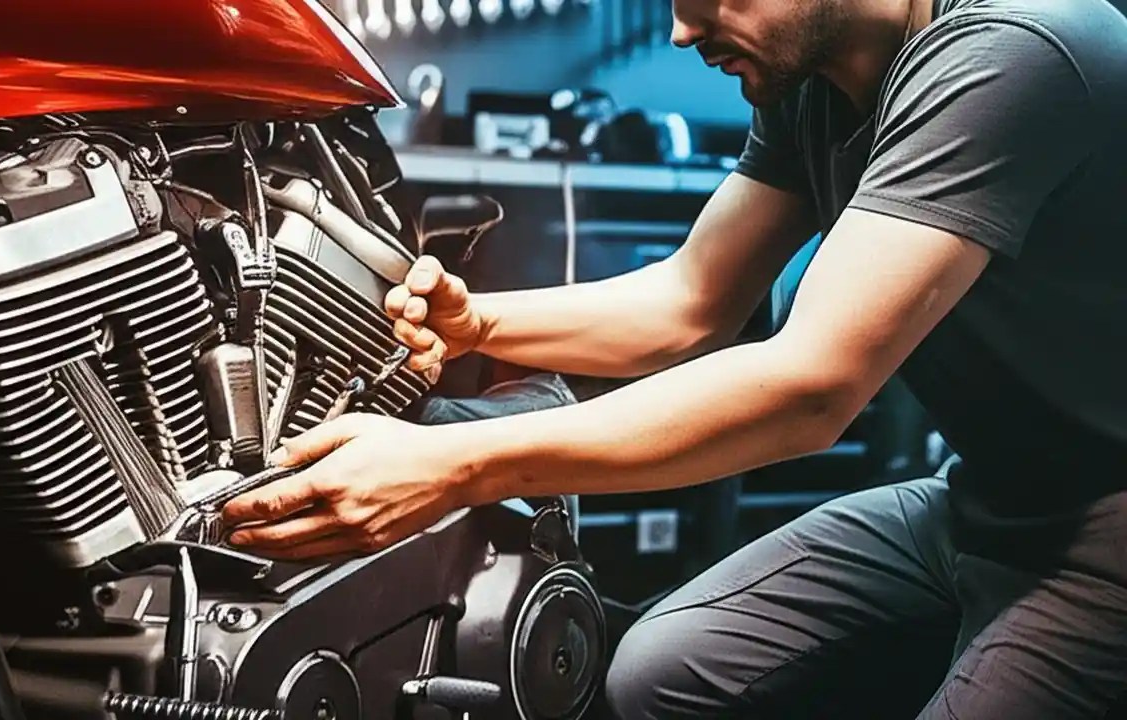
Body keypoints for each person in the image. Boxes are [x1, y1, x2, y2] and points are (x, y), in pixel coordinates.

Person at [221, 0, 1127, 716]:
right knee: (653, 676)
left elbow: (811, 390)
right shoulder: (815, 84)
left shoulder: (1019, 51)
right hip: (982, 506)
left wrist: (455, 466)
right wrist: (477, 325)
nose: (680, 29)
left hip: (1108, 535)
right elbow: (688, 303)